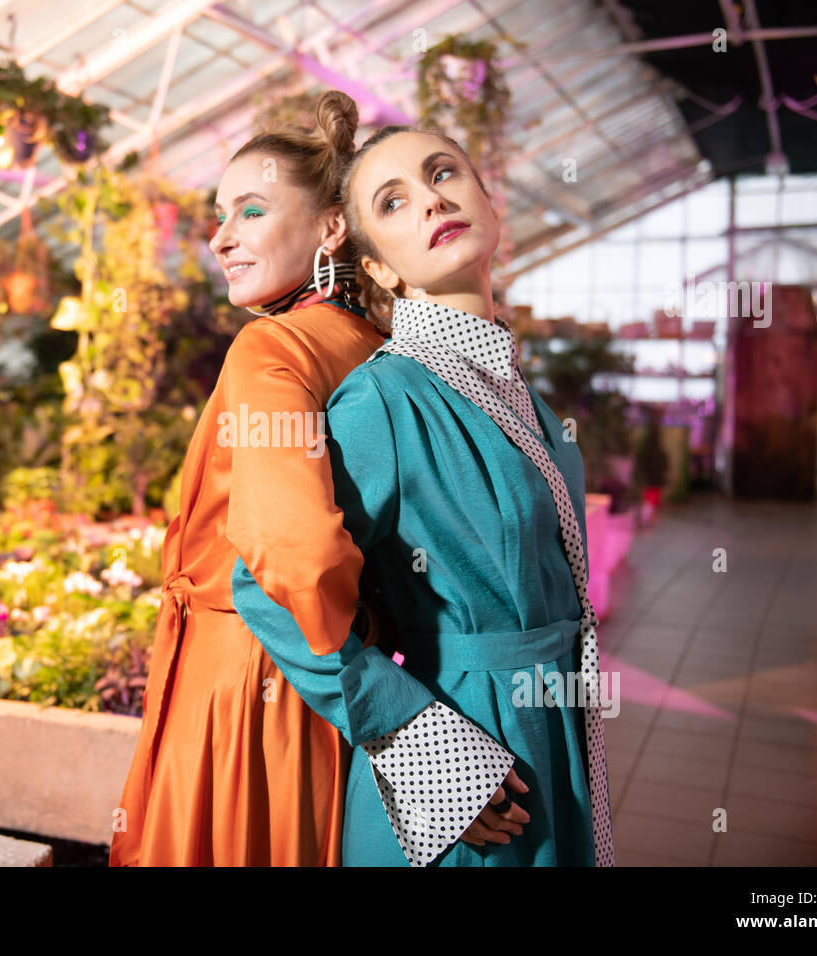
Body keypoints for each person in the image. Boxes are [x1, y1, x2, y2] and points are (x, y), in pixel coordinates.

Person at [230, 124, 616, 867]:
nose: (433, 199)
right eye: (395, 201)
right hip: (471, 766)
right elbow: (267, 585)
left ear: (490, 205)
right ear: (382, 267)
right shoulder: (387, 398)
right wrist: (420, 745)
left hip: (550, 736)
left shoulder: (515, 391)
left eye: (444, 174)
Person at [109, 91, 387, 866]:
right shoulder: (370, 344)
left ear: (333, 226)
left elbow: (296, 548)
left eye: (252, 212)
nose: (221, 238)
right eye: (219, 215)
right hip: (325, 693)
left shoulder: (273, 349)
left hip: (248, 683)